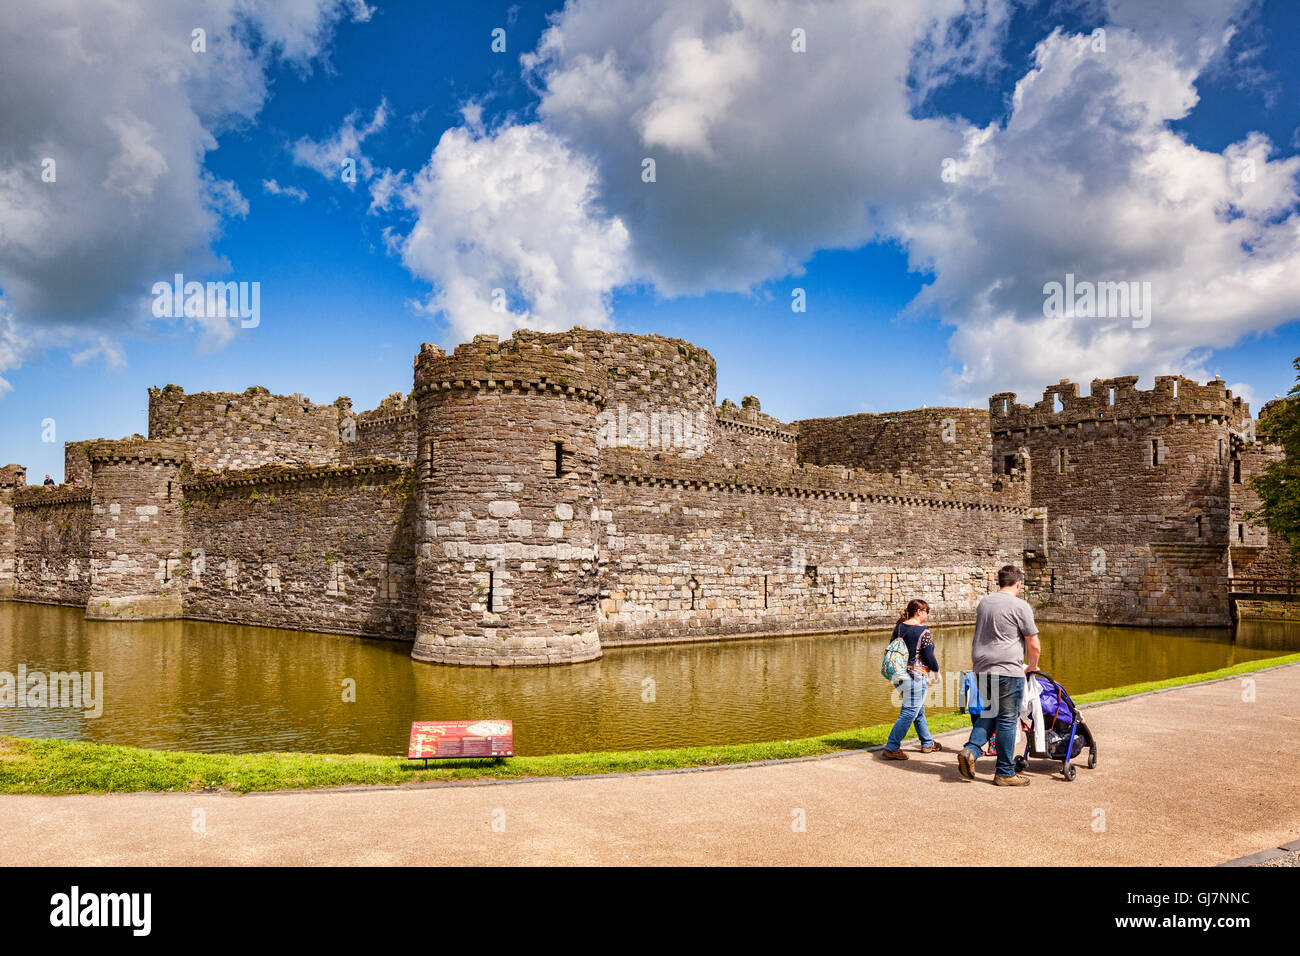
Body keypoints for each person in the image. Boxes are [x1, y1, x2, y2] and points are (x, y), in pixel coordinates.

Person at [958, 565, 1041, 786]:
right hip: (1007, 670)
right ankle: (1005, 771)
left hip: (982, 668)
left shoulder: (985, 603)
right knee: (1006, 719)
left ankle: (971, 750)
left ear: (1000, 582)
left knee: (990, 712)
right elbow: (1033, 643)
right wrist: (1032, 666)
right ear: (1018, 584)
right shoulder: (1020, 606)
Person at [880, 598, 941, 760]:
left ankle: (927, 742)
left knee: (917, 710)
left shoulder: (899, 627)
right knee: (909, 712)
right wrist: (936, 670)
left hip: (899, 675)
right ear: (919, 611)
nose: (928, 614)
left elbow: (893, 647)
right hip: (916, 676)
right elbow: (929, 655)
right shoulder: (923, 631)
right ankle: (892, 747)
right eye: (926, 611)